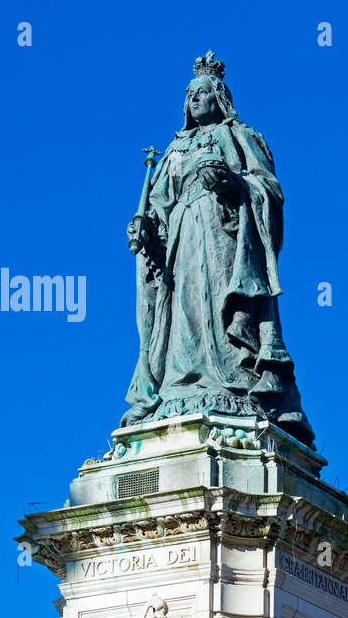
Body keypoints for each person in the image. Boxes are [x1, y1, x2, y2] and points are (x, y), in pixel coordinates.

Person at [122, 51, 314, 447]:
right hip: (181, 241)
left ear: (218, 97)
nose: (193, 99)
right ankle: (180, 383)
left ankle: (236, 382)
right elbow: (159, 205)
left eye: (201, 92)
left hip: (223, 236)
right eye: (189, 93)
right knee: (183, 313)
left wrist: (232, 184)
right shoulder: (174, 151)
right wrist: (145, 229)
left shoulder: (240, 136)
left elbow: (268, 190)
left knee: (221, 308)